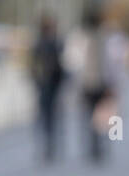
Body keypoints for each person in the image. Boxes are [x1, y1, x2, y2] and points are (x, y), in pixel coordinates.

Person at [67, 9, 111, 163]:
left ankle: (90, 147)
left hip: (85, 83)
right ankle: (98, 147)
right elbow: (110, 64)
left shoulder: (79, 38)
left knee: (86, 117)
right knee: (103, 117)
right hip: (100, 83)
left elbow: (72, 62)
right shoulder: (103, 38)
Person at [29, 13, 66, 162]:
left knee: (48, 116)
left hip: (51, 84)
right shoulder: (45, 43)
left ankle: (49, 146)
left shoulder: (53, 43)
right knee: (47, 117)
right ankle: (47, 146)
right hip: (46, 84)